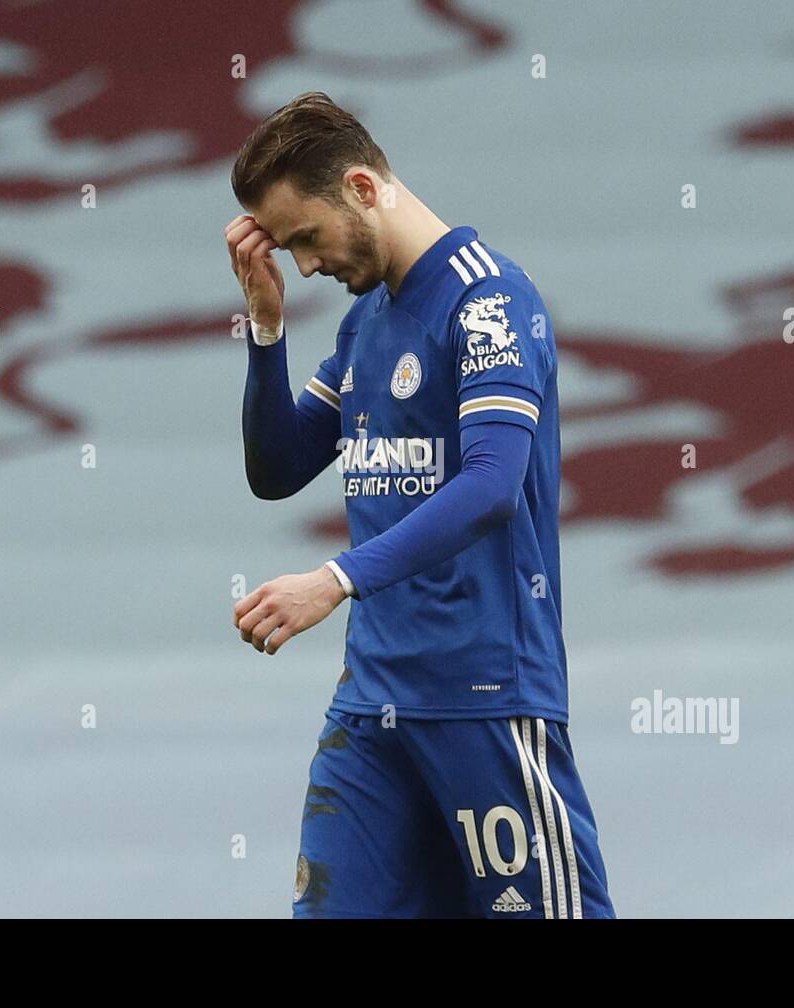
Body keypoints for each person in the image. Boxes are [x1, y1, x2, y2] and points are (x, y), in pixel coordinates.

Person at [226, 91, 616, 919]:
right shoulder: (366, 322)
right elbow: (280, 466)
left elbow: (489, 486)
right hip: (371, 712)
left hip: (484, 703)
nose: (304, 266)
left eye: (306, 238)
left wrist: (334, 579)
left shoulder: (489, 303)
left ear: (363, 189)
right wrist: (265, 331)